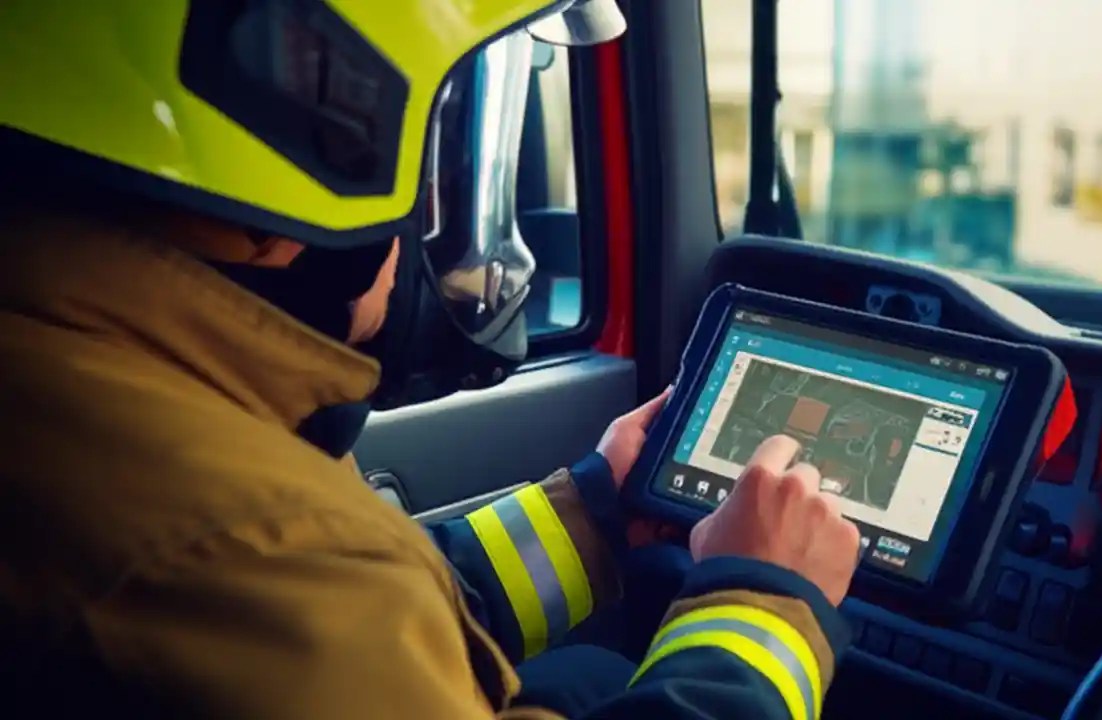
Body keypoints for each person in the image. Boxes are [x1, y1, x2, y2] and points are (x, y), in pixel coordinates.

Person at [0, 1, 862, 718]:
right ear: (311, 147)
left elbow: (378, 632)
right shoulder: (249, 551)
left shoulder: (94, 389)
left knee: (588, 680)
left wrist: (592, 513)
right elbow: (333, 599)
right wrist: (762, 607)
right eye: (432, 153)